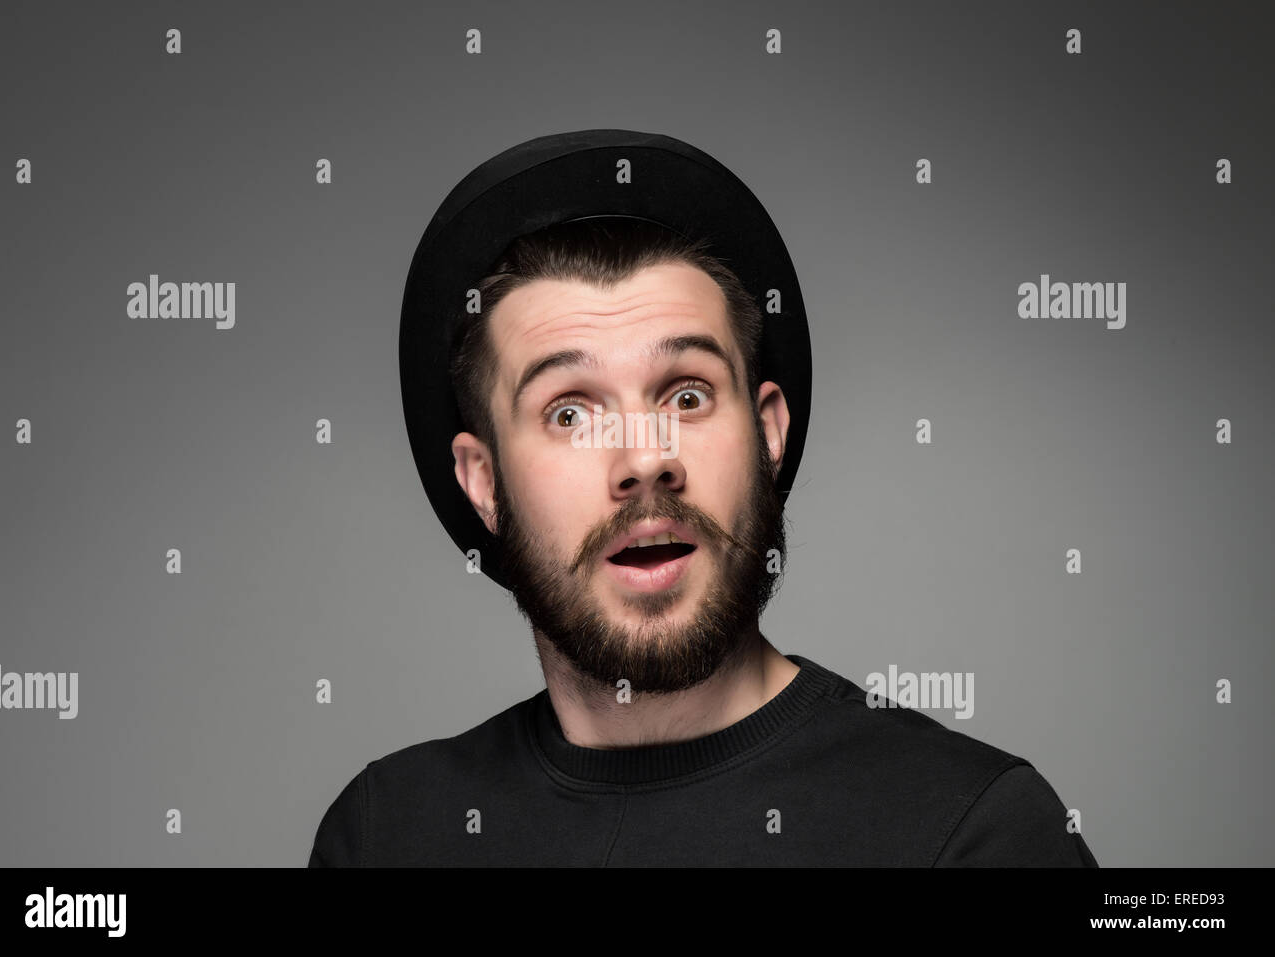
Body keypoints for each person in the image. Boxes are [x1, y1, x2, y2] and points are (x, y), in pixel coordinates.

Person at [308, 130, 1097, 866]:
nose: (645, 459)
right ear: (483, 482)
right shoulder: (387, 834)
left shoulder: (974, 831)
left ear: (767, 432)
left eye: (686, 396)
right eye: (570, 412)